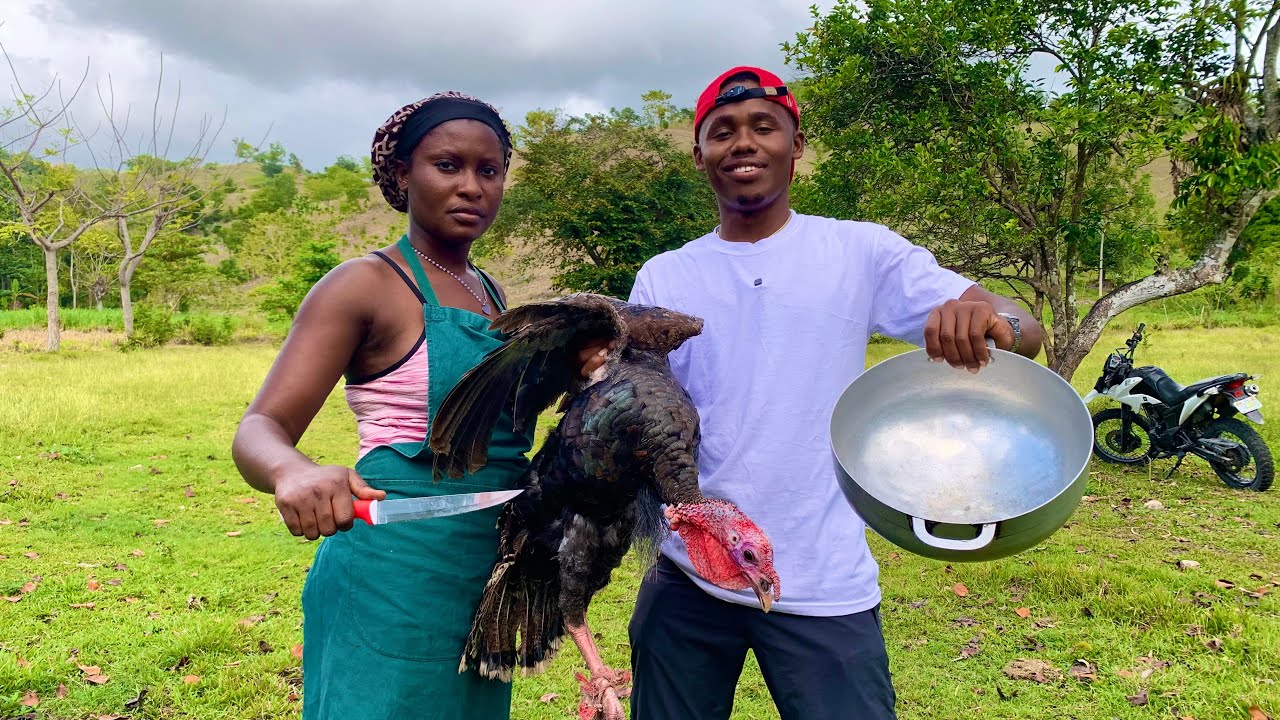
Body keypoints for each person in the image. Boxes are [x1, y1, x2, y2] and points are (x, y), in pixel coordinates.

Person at [624, 66, 1046, 720]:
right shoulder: (665, 274)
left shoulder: (860, 252)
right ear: (699, 153)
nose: (744, 143)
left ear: (797, 147)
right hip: (690, 578)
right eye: (723, 131)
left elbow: (1024, 329)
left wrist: (996, 322)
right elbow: (634, 413)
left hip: (821, 579)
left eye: (765, 127)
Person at [231, 91, 607, 720]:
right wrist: (292, 471)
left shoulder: (491, 294)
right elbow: (260, 426)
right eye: (447, 165)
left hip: (490, 575)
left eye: (489, 171)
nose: (470, 186)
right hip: (393, 573)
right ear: (403, 175)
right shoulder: (363, 285)